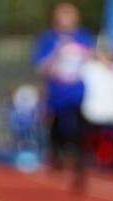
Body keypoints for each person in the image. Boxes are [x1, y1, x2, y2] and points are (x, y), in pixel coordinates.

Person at [33, 2, 95, 189]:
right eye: (62, 15)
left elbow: (92, 59)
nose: (66, 19)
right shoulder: (47, 38)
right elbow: (40, 68)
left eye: (69, 15)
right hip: (56, 95)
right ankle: (57, 155)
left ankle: (79, 167)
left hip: (77, 94)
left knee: (77, 132)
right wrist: (57, 52)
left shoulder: (83, 37)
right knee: (57, 131)